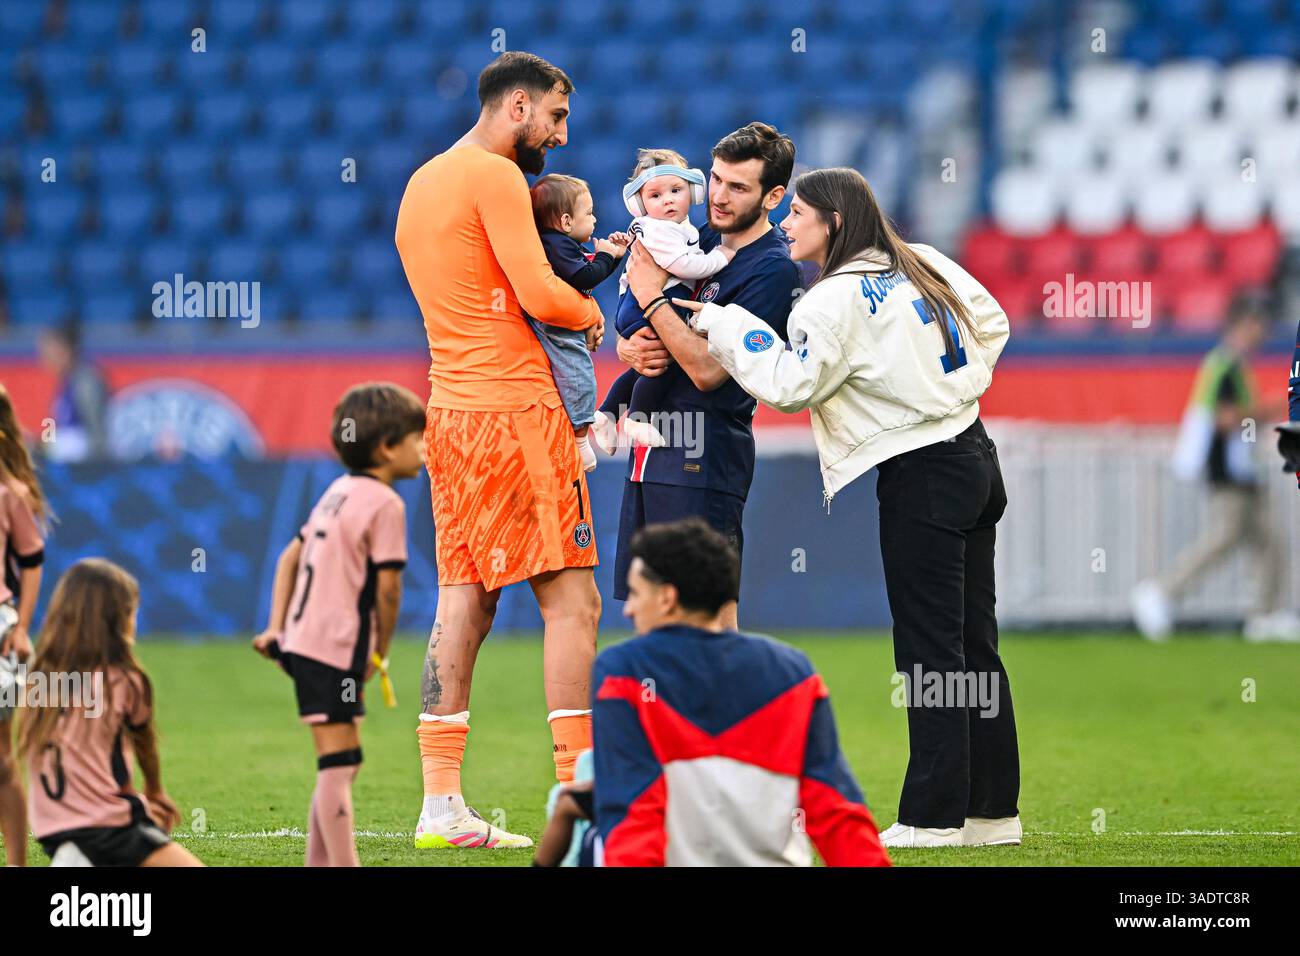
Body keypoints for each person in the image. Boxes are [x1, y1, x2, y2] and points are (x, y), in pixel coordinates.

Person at [677, 167, 1016, 850]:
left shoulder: (829, 300)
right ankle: (991, 812)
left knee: (929, 648)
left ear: (833, 220)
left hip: (922, 471)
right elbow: (993, 320)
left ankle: (933, 816)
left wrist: (723, 322)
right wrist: (951, 385)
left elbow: (792, 385)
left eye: (797, 212)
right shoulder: (920, 260)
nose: (786, 224)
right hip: (977, 453)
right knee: (976, 641)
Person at [394, 51, 605, 850]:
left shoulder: (421, 182)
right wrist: (591, 316)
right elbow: (539, 292)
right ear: (516, 105)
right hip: (517, 410)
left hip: (449, 412)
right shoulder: (495, 178)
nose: (558, 133)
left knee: (465, 600)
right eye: (554, 116)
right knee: (571, 601)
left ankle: (439, 806)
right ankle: (577, 794)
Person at [591, 518, 890, 866]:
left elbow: (632, 813)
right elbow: (836, 812)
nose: (627, 608)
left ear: (667, 599)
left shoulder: (623, 671)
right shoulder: (793, 672)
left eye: (636, 594)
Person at [616, 122, 801, 628]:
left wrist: (653, 298)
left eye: (737, 187)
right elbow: (637, 315)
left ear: (773, 196)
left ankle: (723, 707)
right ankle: (667, 709)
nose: (717, 196)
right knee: (650, 611)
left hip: (704, 454)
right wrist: (626, 345)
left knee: (707, 618)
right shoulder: (692, 238)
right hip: (652, 449)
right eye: (716, 179)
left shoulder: (772, 270)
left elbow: (706, 371)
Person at [252, 383, 424, 865]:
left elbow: (290, 555)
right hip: (335, 647)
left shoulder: (337, 491)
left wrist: (275, 628)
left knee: (340, 764)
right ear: (388, 447)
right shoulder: (386, 503)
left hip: (306, 643)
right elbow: (389, 590)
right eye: (418, 439)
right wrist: (380, 651)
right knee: (338, 764)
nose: (424, 449)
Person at [19, 559, 203, 867]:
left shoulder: (40, 679)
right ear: (116, 620)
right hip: (106, 826)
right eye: (132, 611)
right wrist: (155, 792)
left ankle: (79, 857)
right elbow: (145, 745)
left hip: (51, 826)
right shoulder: (125, 680)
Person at [1134, 296, 1293, 642]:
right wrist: (1267, 410)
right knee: (1226, 539)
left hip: (1242, 472)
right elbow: (1225, 421)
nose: (1262, 333)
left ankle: (1265, 615)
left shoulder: (1229, 365)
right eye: (1257, 324)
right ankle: (1161, 592)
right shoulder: (1226, 366)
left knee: (1270, 541)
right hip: (1229, 472)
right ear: (1241, 325)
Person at [590, 147, 734, 453]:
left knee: (644, 364)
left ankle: (607, 414)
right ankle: (638, 419)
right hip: (647, 305)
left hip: (636, 304)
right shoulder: (661, 230)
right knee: (666, 360)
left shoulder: (675, 228)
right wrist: (719, 258)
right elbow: (685, 265)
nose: (667, 199)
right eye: (655, 196)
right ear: (639, 204)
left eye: (675, 190)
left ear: (693, 192)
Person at [526, 172, 630, 472]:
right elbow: (584, 277)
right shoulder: (556, 245)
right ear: (567, 222)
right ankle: (581, 436)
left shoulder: (562, 245)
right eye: (589, 213)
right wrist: (606, 258)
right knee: (578, 372)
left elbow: (586, 272)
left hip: (562, 321)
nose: (595, 219)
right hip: (554, 326)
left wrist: (613, 256)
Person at [0, 385, 48, 866]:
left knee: (0, 760)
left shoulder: (8, 494)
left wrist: (21, 626)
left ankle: (16, 863)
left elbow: (32, 559)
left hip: (0, 628)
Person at [37, 324, 110, 463]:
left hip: (86, 460)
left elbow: (98, 433)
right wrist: (43, 444)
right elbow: (56, 425)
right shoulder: (66, 382)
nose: (45, 358)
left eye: (49, 352)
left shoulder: (87, 381)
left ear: (65, 351)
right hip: (66, 453)